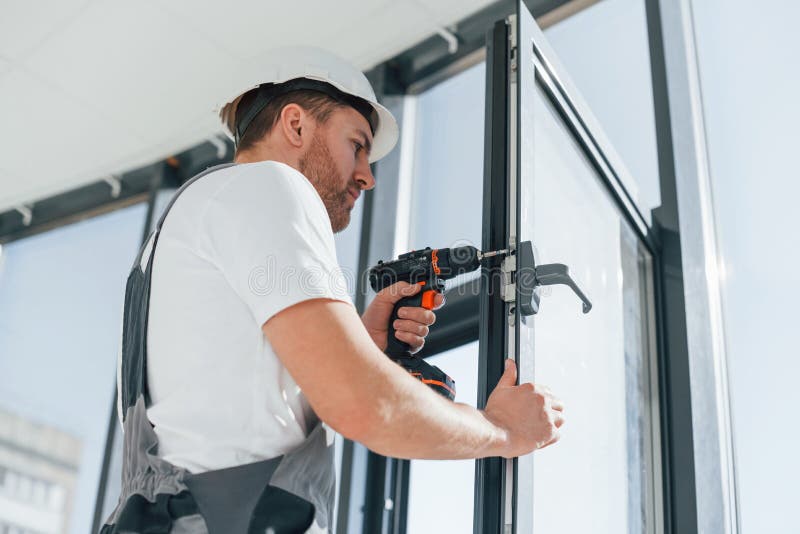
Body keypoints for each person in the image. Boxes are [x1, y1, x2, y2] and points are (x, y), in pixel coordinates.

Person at [102, 46, 564, 534]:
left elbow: (237, 414)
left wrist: (360, 347)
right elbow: (366, 406)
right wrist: (502, 430)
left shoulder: (183, 225)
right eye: (357, 145)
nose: (367, 176)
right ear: (295, 126)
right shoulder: (269, 186)